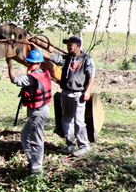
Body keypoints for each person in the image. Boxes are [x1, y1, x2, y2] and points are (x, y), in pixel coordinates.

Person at [6, 47, 55, 175]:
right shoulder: (43, 73)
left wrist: (9, 64)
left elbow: (14, 80)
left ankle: (36, 169)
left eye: (32, 63)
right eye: (29, 62)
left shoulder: (32, 77)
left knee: (36, 141)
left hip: (38, 113)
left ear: (38, 64)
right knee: (25, 135)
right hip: (40, 111)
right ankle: (32, 159)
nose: (30, 64)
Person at [58, 35, 95, 156]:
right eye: (67, 45)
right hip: (65, 92)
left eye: (71, 45)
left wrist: (87, 91)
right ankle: (70, 145)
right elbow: (52, 58)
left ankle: (84, 145)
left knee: (79, 121)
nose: (68, 47)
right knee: (66, 119)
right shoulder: (66, 58)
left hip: (78, 94)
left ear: (78, 46)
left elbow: (91, 76)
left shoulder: (86, 59)